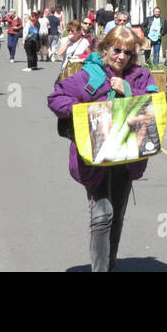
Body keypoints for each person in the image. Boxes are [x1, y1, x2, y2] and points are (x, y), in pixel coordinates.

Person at [47, 26, 157, 273]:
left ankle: (109, 264)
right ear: (106, 48)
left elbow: (154, 103)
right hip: (94, 158)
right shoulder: (90, 75)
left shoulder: (140, 76)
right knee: (102, 214)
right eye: (117, 50)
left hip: (127, 157)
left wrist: (127, 91)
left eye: (128, 52)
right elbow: (55, 98)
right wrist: (83, 111)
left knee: (116, 215)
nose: (121, 56)